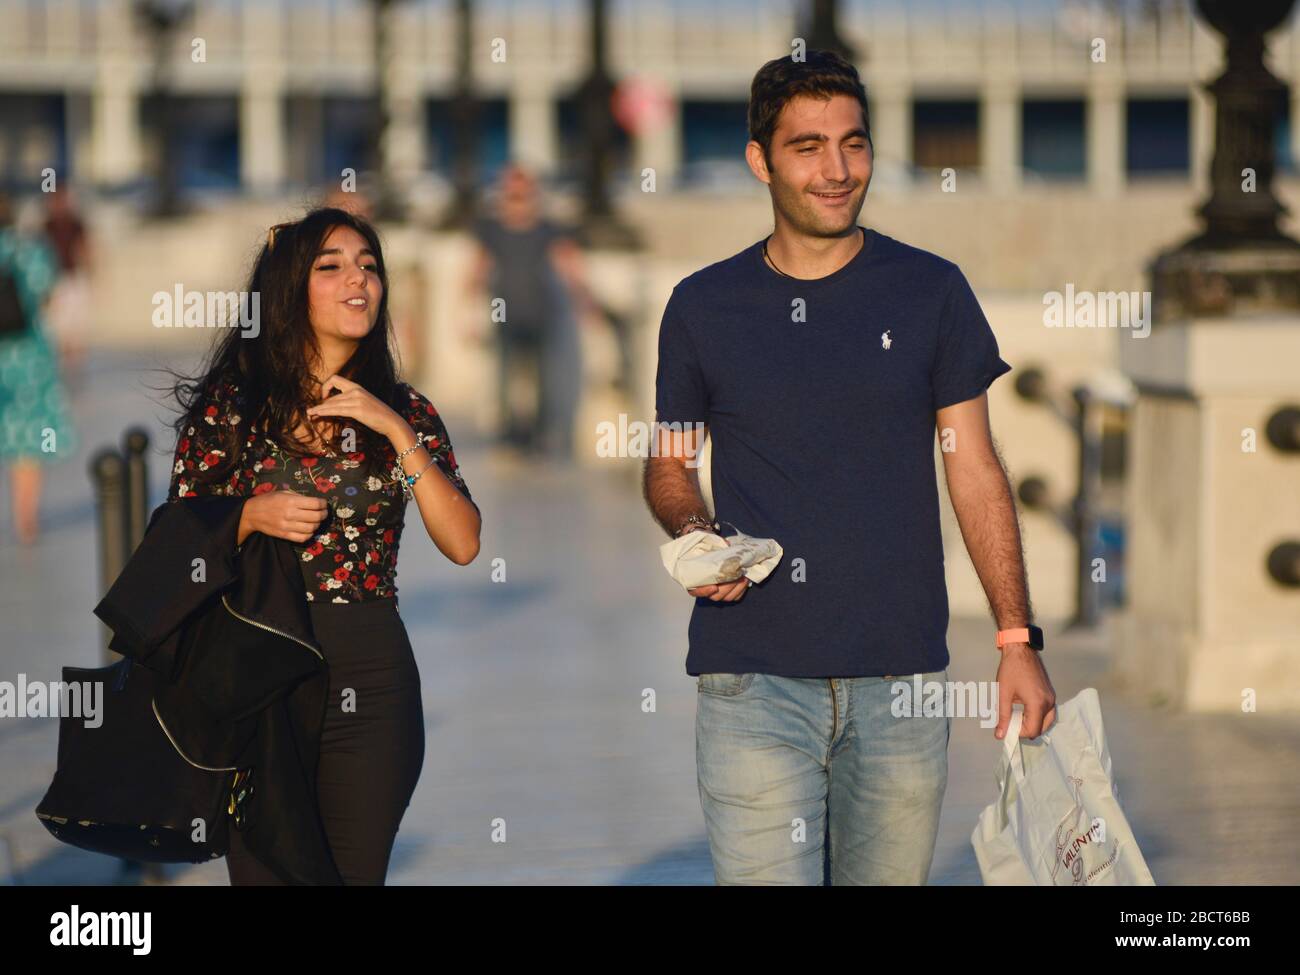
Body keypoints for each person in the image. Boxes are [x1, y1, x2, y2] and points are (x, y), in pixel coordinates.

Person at [643, 51, 1057, 885]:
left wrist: (1016, 637)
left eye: (853, 143)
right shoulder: (702, 304)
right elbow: (669, 463)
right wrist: (696, 533)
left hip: (901, 679)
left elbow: (972, 466)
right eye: (808, 147)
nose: (837, 171)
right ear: (760, 161)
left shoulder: (930, 291)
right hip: (751, 676)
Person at [164, 206, 481, 884]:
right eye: (331, 267)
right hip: (261, 676)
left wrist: (394, 429)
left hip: (373, 679)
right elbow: (178, 542)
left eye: (369, 265)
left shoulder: (408, 411)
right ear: (289, 288)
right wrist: (251, 514)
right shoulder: (234, 407)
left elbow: (463, 541)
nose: (357, 280)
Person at [467, 163, 595, 459]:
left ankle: (541, 434)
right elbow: (478, 269)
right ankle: (511, 434)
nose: (516, 200)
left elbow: (569, 266)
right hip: (504, 315)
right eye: (511, 193)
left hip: (543, 315)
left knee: (546, 378)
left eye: (522, 193)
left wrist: (586, 301)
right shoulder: (492, 229)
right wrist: (469, 312)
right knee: (505, 378)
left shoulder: (549, 229)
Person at [0, 192, 79, 546]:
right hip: (28, 355)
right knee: (27, 443)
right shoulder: (29, 250)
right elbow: (48, 294)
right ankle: (25, 517)